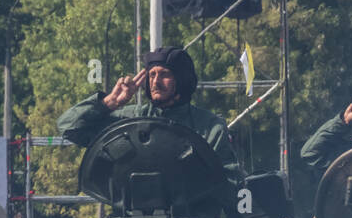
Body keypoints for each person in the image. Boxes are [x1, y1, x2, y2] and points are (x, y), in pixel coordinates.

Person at [57, 45, 243, 183]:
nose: (155, 82)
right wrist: (109, 103)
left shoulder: (209, 127)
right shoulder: (130, 120)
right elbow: (69, 127)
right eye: (152, 75)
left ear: (182, 80)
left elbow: (229, 180)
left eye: (164, 75)